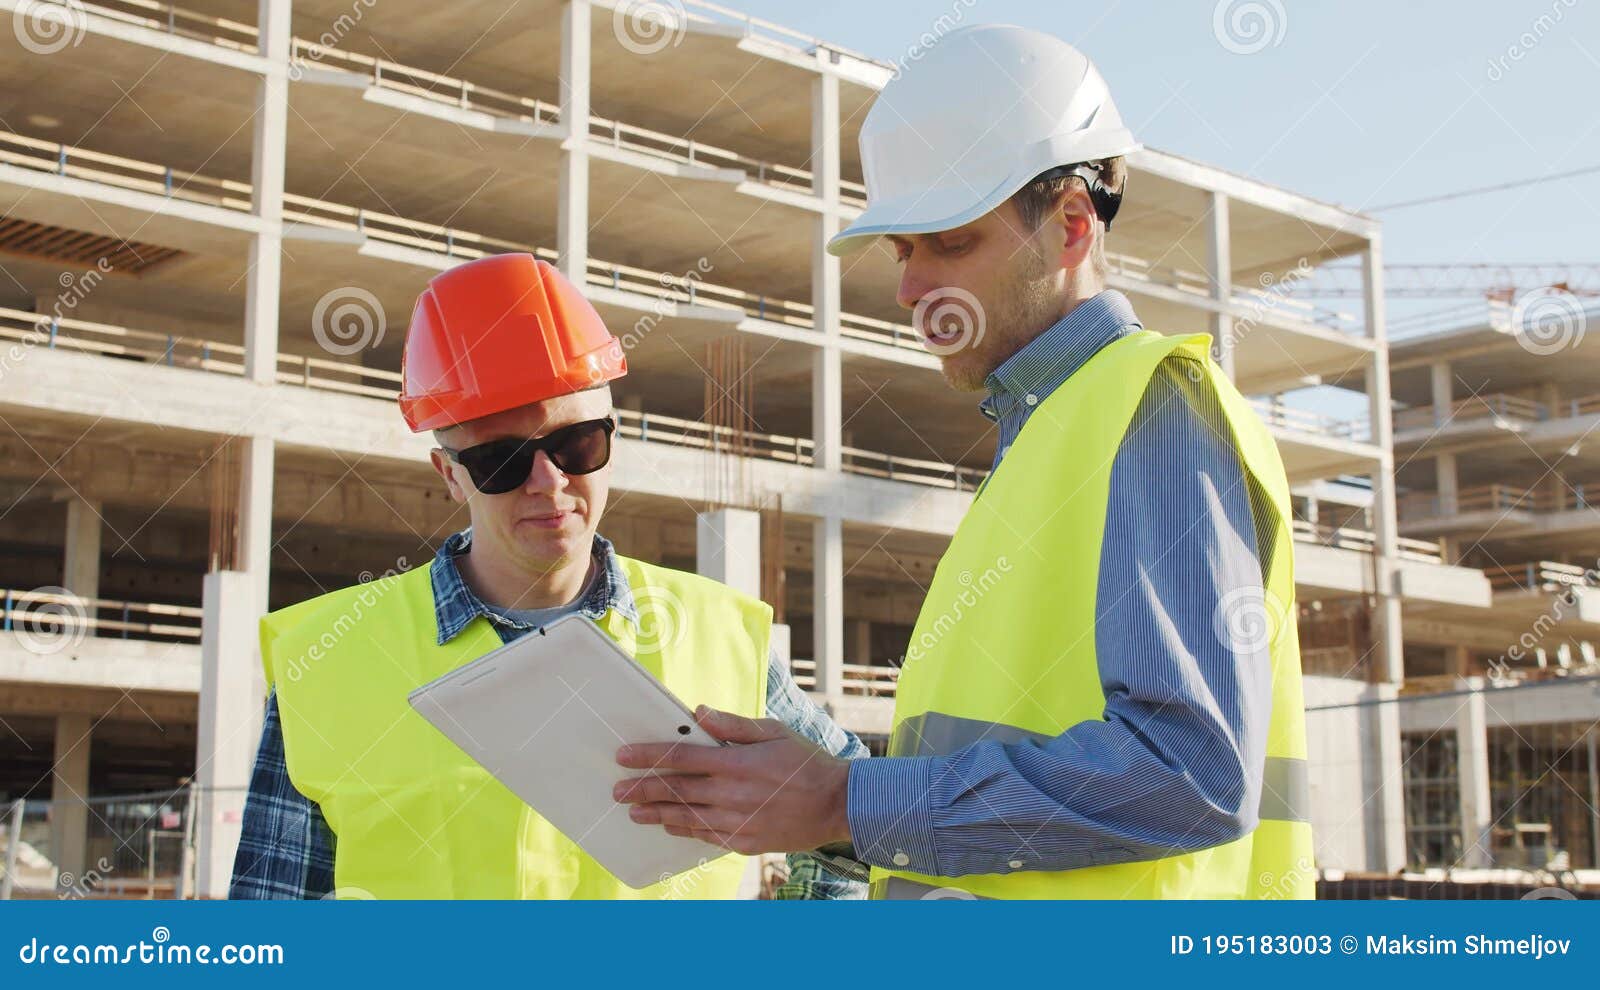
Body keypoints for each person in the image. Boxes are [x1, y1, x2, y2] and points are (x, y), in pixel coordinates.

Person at [614, 24, 1313, 899]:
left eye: (950, 243)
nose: (909, 290)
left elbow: (1188, 774)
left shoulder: (1152, 408)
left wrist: (849, 802)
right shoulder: (1049, 431)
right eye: (904, 252)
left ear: (1068, 227)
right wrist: (823, 801)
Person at [230, 253, 866, 899]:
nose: (550, 483)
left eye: (577, 445)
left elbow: (862, 826)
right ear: (448, 474)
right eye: (502, 460)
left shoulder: (722, 637)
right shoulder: (330, 658)